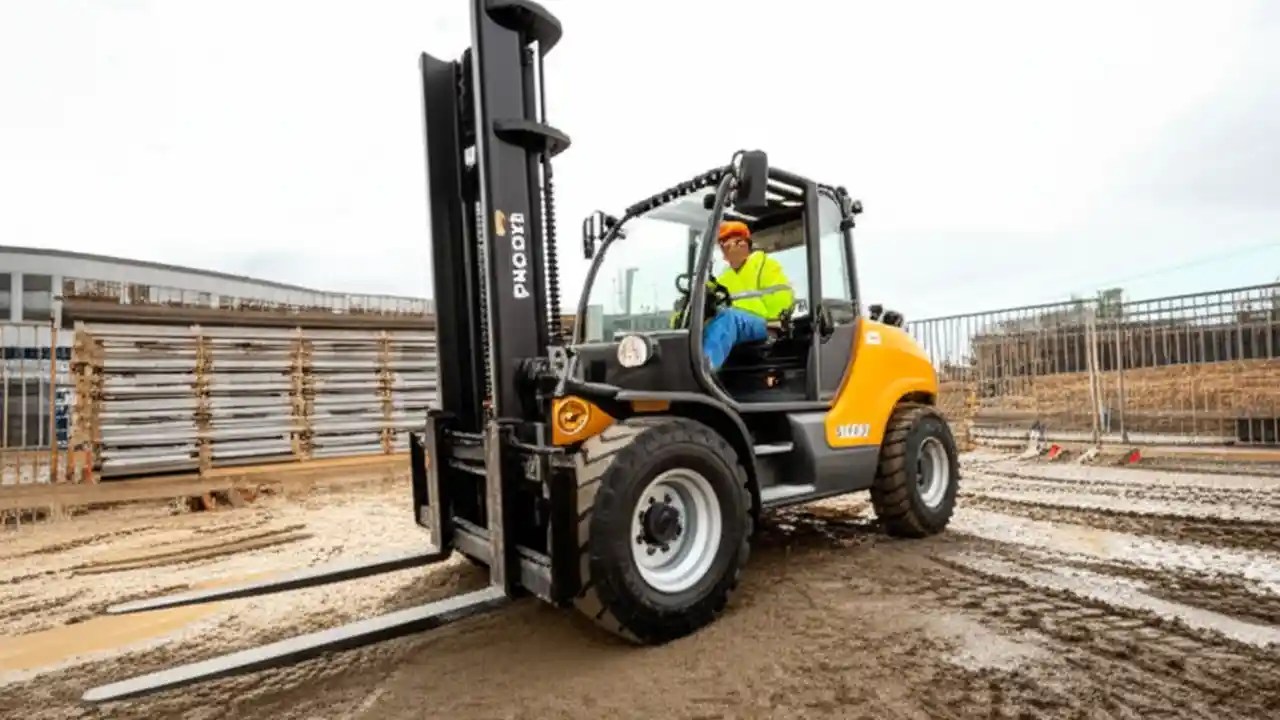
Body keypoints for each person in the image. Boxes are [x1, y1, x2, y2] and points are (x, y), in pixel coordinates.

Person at [702, 220, 794, 370]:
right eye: (723, 245)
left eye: (729, 243)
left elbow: (782, 299)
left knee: (729, 318)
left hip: (767, 325)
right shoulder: (724, 278)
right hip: (738, 326)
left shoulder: (765, 265)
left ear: (744, 244)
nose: (725, 249)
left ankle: (705, 370)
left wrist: (773, 322)